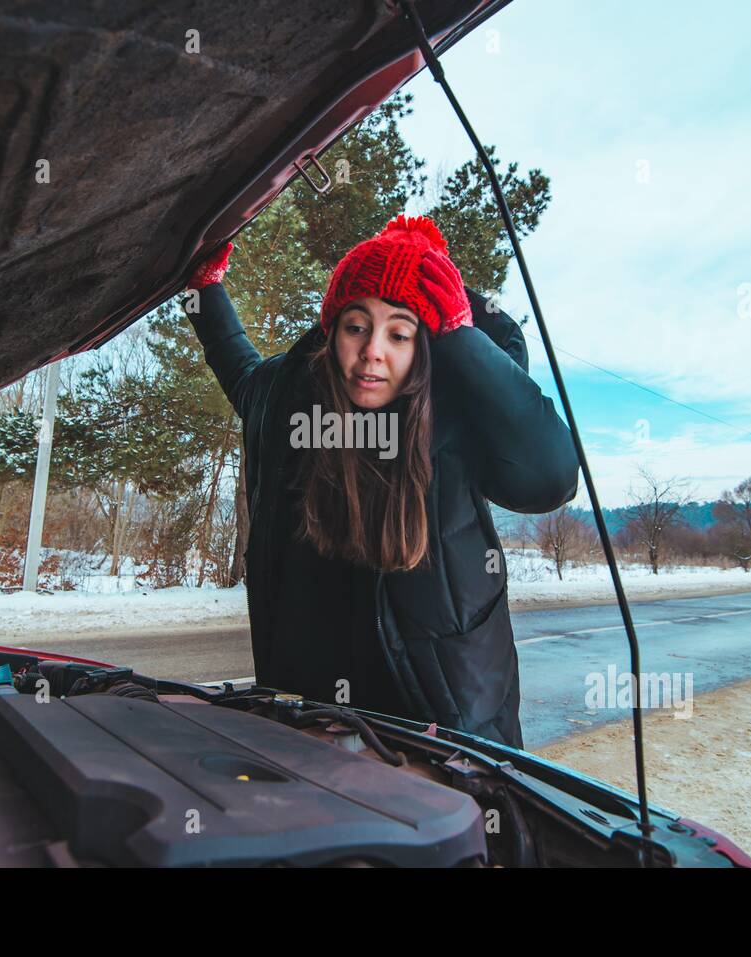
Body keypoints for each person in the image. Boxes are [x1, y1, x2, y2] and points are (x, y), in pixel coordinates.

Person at [184, 214, 578, 748]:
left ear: (426, 345)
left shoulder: (458, 407)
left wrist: (462, 334)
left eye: (399, 332)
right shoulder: (292, 401)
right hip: (313, 722)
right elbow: (240, 368)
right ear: (333, 333)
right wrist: (204, 289)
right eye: (356, 326)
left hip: (447, 724)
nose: (373, 349)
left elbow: (550, 477)